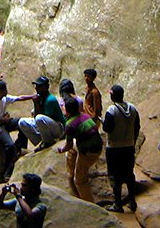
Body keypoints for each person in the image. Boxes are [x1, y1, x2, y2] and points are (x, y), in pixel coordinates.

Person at [0, 79, 34, 179]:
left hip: (5, 122)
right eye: (4, 89)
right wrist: (2, 119)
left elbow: (19, 98)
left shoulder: (4, 99)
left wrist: (32, 96)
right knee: (9, 145)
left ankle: (19, 147)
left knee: (22, 123)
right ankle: (7, 172)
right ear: (0, 91)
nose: (7, 91)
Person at [102, 84, 141, 212]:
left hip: (114, 148)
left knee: (115, 176)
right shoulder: (133, 108)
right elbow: (137, 127)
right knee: (129, 174)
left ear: (112, 95)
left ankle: (118, 204)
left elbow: (107, 128)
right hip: (128, 147)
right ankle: (132, 201)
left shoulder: (112, 110)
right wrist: (133, 140)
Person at [59, 97, 103, 202]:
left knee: (79, 180)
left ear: (67, 110)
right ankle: (71, 174)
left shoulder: (69, 124)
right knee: (71, 153)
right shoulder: (85, 116)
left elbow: (68, 145)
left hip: (89, 152)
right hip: (97, 145)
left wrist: (61, 149)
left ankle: (89, 205)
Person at [17, 76, 65, 150]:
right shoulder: (40, 97)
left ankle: (48, 142)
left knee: (39, 118)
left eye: (40, 86)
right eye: (36, 86)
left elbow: (42, 118)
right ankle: (42, 140)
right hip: (47, 126)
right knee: (22, 122)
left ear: (46, 87)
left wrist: (36, 104)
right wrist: (36, 104)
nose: (37, 88)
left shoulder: (50, 99)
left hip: (58, 128)